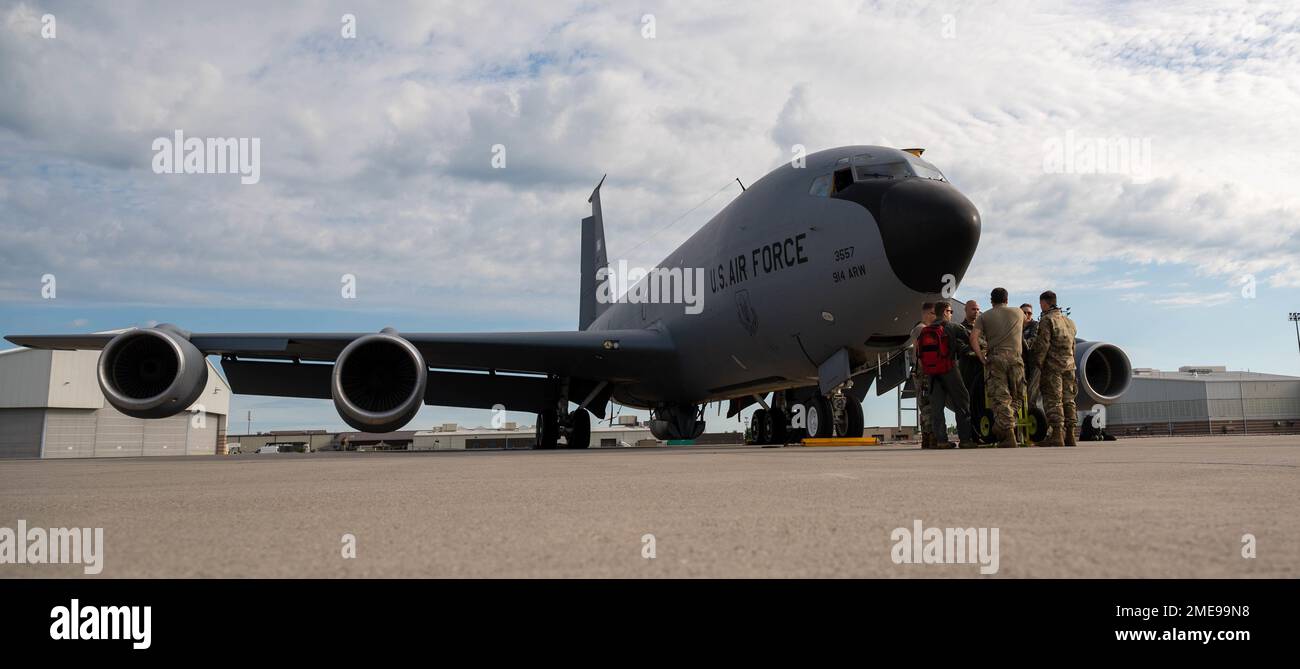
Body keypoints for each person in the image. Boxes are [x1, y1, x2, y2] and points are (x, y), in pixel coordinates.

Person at [970, 287, 1025, 448]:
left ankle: (1005, 430)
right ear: (1007, 299)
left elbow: (973, 338)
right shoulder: (1019, 313)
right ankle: (1005, 426)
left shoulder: (984, 316)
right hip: (1016, 359)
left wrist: (981, 356)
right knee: (1018, 396)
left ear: (991, 301)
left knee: (1001, 398)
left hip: (996, 359)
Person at [916, 302, 976, 449]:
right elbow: (971, 337)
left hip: (932, 372)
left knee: (937, 406)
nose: (951, 314)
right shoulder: (952, 326)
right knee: (962, 402)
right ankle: (966, 440)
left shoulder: (925, 330)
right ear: (944, 312)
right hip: (949, 369)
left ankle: (941, 440)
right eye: (950, 311)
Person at [1029, 290, 1078, 447]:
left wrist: (1038, 363)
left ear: (1044, 303)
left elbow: (1043, 345)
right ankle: (1070, 435)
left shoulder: (1047, 320)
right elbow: (1073, 346)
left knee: (1053, 400)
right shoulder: (1069, 322)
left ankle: (1057, 434)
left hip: (1052, 367)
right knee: (1068, 399)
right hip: (1069, 366)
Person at [908, 302, 937, 448]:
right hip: (924, 371)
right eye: (933, 313)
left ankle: (927, 437)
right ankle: (931, 437)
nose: (935, 316)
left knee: (925, 404)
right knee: (927, 405)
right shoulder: (921, 329)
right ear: (926, 314)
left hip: (922, 370)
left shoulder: (921, 329)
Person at [956, 299, 986, 418]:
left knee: (983, 403)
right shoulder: (960, 328)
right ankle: (970, 434)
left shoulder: (983, 329)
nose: (976, 312)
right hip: (968, 371)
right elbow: (962, 348)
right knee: (968, 403)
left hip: (983, 371)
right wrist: (979, 354)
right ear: (966, 310)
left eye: (978, 309)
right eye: (973, 309)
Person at [1021, 303, 1041, 407]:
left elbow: (1031, 341)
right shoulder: (1017, 326)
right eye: (1024, 312)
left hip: (1034, 364)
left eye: (1029, 313)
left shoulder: (1035, 325)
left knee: (1031, 396)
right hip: (1022, 364)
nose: (1027, 315)